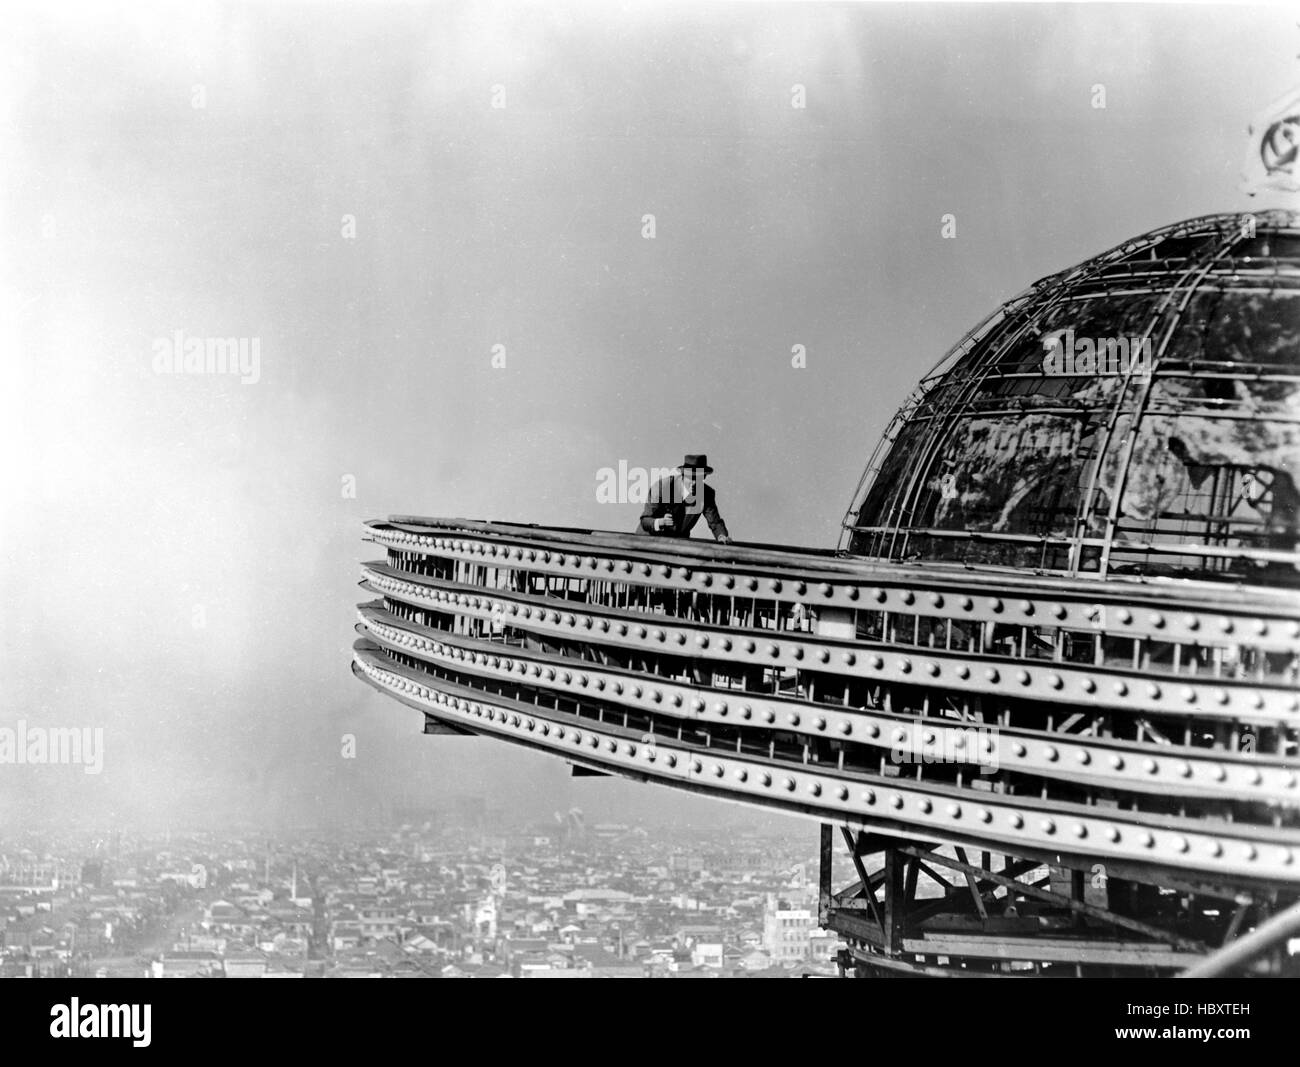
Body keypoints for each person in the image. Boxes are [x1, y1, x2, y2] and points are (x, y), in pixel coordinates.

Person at [636, 453, 733, 543]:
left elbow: (715, 522)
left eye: (699, 478)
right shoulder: (662, 487)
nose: (694, 483)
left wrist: (722, 536)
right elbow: (645, 520)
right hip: (647, 541)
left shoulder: (706, 494)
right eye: (691, 478)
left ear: (704, 477)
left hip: (678, 545)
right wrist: (660, 522)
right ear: (683, 475)